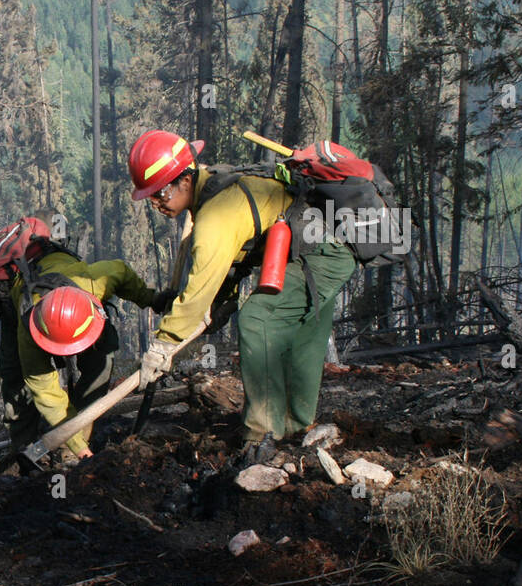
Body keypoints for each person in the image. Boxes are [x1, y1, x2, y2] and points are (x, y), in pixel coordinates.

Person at [127, 129, 356, 445]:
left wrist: (163, 344)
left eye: (160, 194)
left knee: (258, 320)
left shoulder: (214, 220)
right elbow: (229, 269)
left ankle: (260, 434)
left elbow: (198, 294)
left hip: (320, 253)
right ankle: (295, 426)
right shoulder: (217, 189)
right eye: (150, 197)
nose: (156, 204)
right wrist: (220, 306)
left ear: (185, 181)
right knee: (305, 331)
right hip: (322, 246)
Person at [10, 246, 168, 459]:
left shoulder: (96, 281)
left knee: (103, 358)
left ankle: (78, 431)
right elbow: (46, 393)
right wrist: (81, 450)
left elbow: (122, 272)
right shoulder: (27, 328)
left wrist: (152, 299)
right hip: (20, 295)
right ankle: (25, 450)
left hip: (78, 294)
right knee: (16, 379)